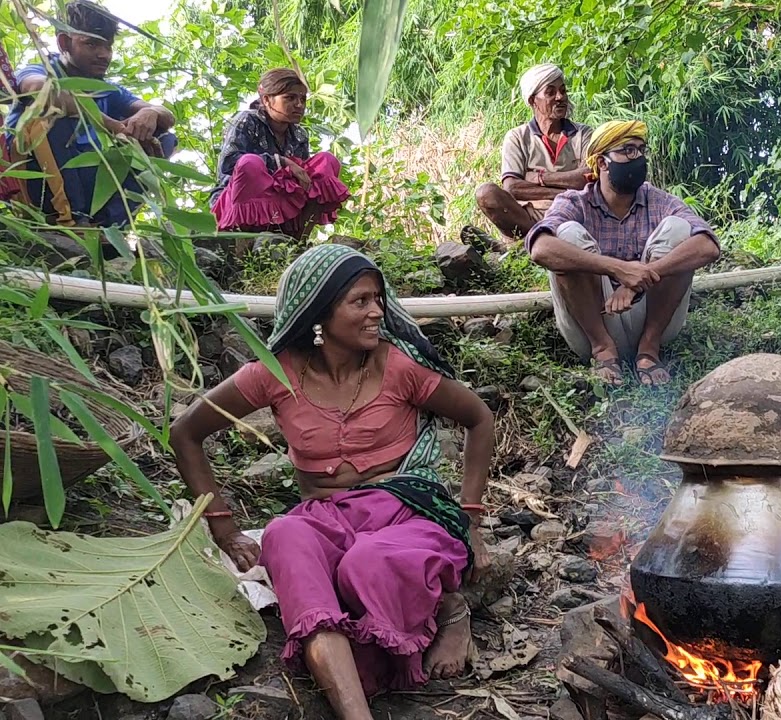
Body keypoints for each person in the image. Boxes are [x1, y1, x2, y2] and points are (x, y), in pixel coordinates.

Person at [170, 245, 494, 720]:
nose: (376, 312)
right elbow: (186, 432)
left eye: (378, 299)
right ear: (318, 313)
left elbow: (479, 417)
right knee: (283, 533)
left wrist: (471, 519)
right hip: (324, 516)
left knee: (366, 563)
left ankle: (451, 611)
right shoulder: (274, 371)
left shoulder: (398, 366)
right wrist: (223, 529)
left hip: (407, 512)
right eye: (359, 302)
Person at [526, 120, 721, 387]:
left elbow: (708, 245)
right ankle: (603, 350)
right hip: (592, 323)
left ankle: (649, 350)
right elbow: (540, 248)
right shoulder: (574, 202)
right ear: (602, 163)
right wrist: (618, 269)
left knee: (679, 230)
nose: (637, 158)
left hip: (651, 318)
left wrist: (640, 277)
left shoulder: (659, 200)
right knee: (567, 234)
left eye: (641, 150)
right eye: (628, 150)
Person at [1, 1, 177, 228]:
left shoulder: (107, 88)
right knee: (54, 115)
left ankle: (109, 224)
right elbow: (39, 90)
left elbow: (167, 117)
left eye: (108, 46)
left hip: (88, 182)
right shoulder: (41, 70)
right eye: (92, 44)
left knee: (163, 137)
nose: (104, 55)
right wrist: (112, 124)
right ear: (64, 42)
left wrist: (150, 113)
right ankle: (70, 219)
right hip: (39, 184)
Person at [211, 68, 349, 243]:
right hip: (235, 203)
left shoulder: (299, 135)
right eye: (290, 98)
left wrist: (291, 169)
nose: (299, 105)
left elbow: (304, 181)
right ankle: (241, 243)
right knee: (250, 164)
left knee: (326, 162)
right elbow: (229, 163)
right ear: (267, 100)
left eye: (302, 99)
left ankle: (297, 242)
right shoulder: (247, 120)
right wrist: (281, 161)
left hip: (281, 205)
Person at [474, 63, 593, 244]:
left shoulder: (584, 134)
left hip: (575, 211)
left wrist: (540, 178)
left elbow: (586, 179)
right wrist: (566, 189)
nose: (560, 97)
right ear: (532, 101)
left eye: (563, 91)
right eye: (550, 92)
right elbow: (512, 188)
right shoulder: (517, 137)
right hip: (528, 217)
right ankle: (538, 238)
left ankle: (533, 243)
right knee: (486, 193)